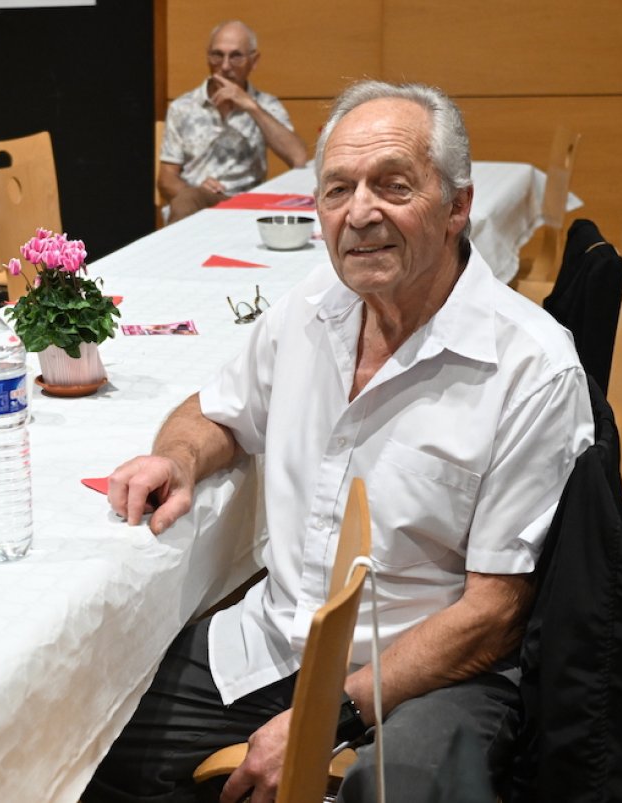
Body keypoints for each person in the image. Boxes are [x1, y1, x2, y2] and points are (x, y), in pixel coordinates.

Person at [87, 81, 594, 803]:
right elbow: (215, 410)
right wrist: (179, 456)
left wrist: (329, 715)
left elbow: (494, 612)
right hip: (276, 640)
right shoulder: (308, 312)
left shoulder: (529, 368)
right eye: (337, 189)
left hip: (433, 672)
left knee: (405, 789)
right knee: (82, 738)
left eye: (393, 185)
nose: (359, 212)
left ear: (457, 206)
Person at [159, 20, 308, 223]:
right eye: (217, 55)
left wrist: (251, 107)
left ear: (254, 61)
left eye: (236, 56)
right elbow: (166, 178)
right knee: (187, 199)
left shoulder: (265, 104)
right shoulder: (183, 107)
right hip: (195, 203)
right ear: (207, 57)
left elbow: (298, 157)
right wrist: (194, 191)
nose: (225, 66)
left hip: (246, 205)